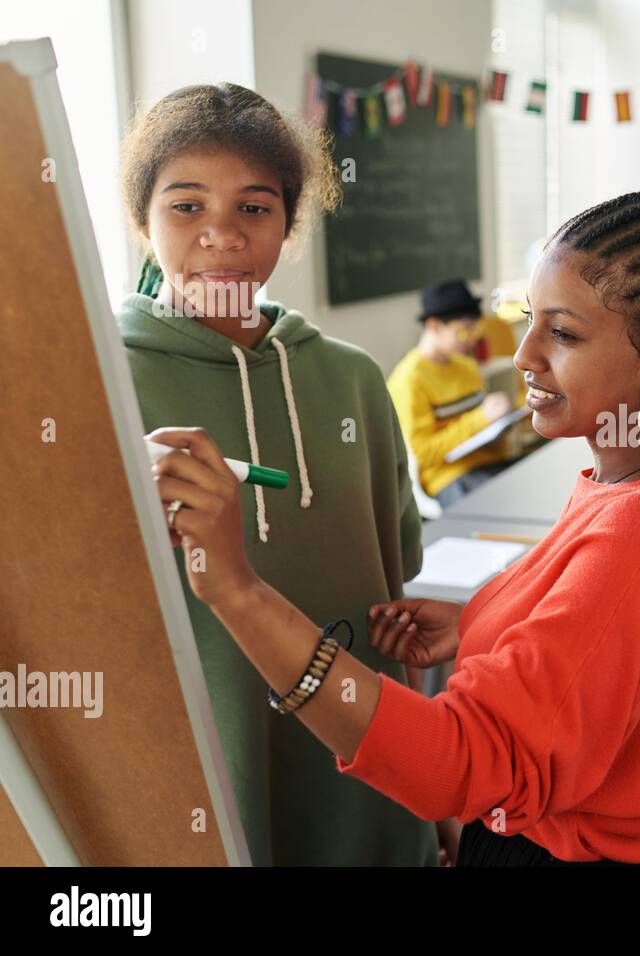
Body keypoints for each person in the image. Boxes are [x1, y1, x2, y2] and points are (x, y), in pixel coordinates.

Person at [146, 191, 640, 866]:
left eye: (562, 334)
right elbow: (601, 655)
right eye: (529, 321)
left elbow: (454, 764)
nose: (524, 354)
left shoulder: (639, 534)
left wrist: (236, 591)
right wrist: (480, 623)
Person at [116, 83, 436, 865]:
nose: (221, 237)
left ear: (288, 225)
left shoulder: (355, 378)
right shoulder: (100, 384)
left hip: (363, 750)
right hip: (203, 753)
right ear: (142, 222)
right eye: (186, 207)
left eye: (254, 209)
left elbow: (401, 559)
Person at [387, 279, 515, 507]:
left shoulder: (465, 365)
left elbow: (482, 426)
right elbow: (423, 453)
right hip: (449, 477)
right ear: (435, 326)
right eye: (464, 332)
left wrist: (503, 422)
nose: (473, 339)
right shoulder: (409, 379)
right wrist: (481, 419)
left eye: (474, 330)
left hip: (489, 463)